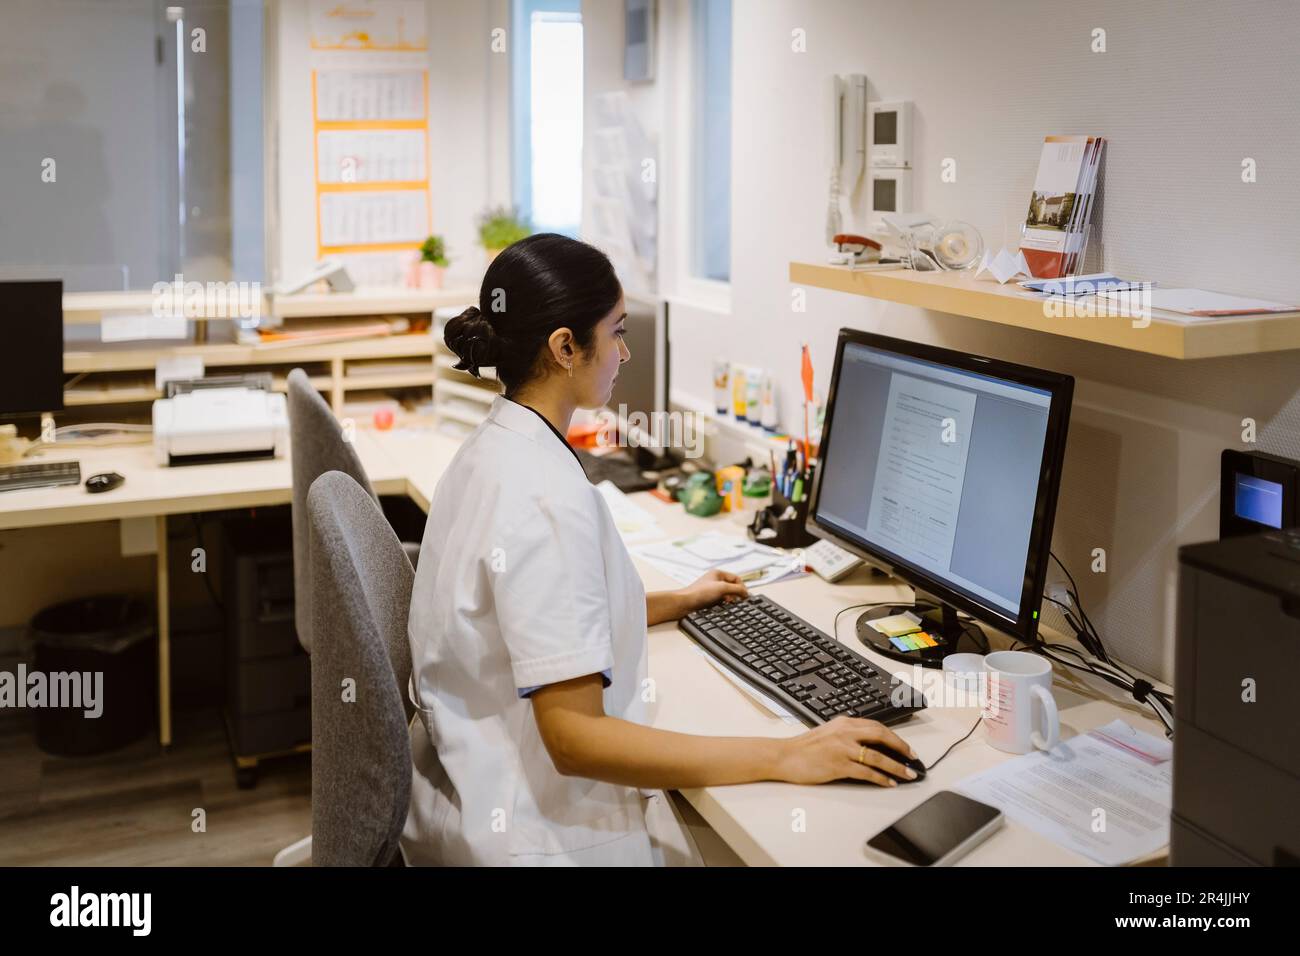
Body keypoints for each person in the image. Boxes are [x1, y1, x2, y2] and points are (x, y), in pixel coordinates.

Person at [401, 234, 918, 866]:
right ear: (566, 347)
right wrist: (789, 753)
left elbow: (530, 616)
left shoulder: (495, 447)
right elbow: (575, 740)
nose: (622, 352)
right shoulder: (543, 497)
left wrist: (674, 601)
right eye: (615, 333)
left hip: (463, 783)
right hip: (535, 833)